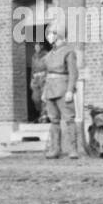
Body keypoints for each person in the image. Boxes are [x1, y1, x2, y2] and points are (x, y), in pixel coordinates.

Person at [41, 21, 78, 159]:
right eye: (49, 34)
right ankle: (55, 149)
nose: (49, 36)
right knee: (54, 120)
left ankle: (73, 150)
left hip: (63, 88)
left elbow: (73, 73)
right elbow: (47, 75)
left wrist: (70, 90)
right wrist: (44, 92)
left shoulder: (69, 51)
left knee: (69, 119)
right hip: (50, 89)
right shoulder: (49, 55)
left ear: (59, 35)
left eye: (52, 33)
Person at [30, 42, 49, 122]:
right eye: (35, 46)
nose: (36, 47)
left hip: (44, 77)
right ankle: (41, 112)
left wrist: (47, 78)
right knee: (35, 98)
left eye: (38, 45)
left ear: (41, 46)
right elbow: (32, 69)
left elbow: (49, 67)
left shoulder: (47, 55)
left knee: (44, 97)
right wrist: (31, 79)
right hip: (35, 78)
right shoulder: (34, 56)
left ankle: (44, 115)